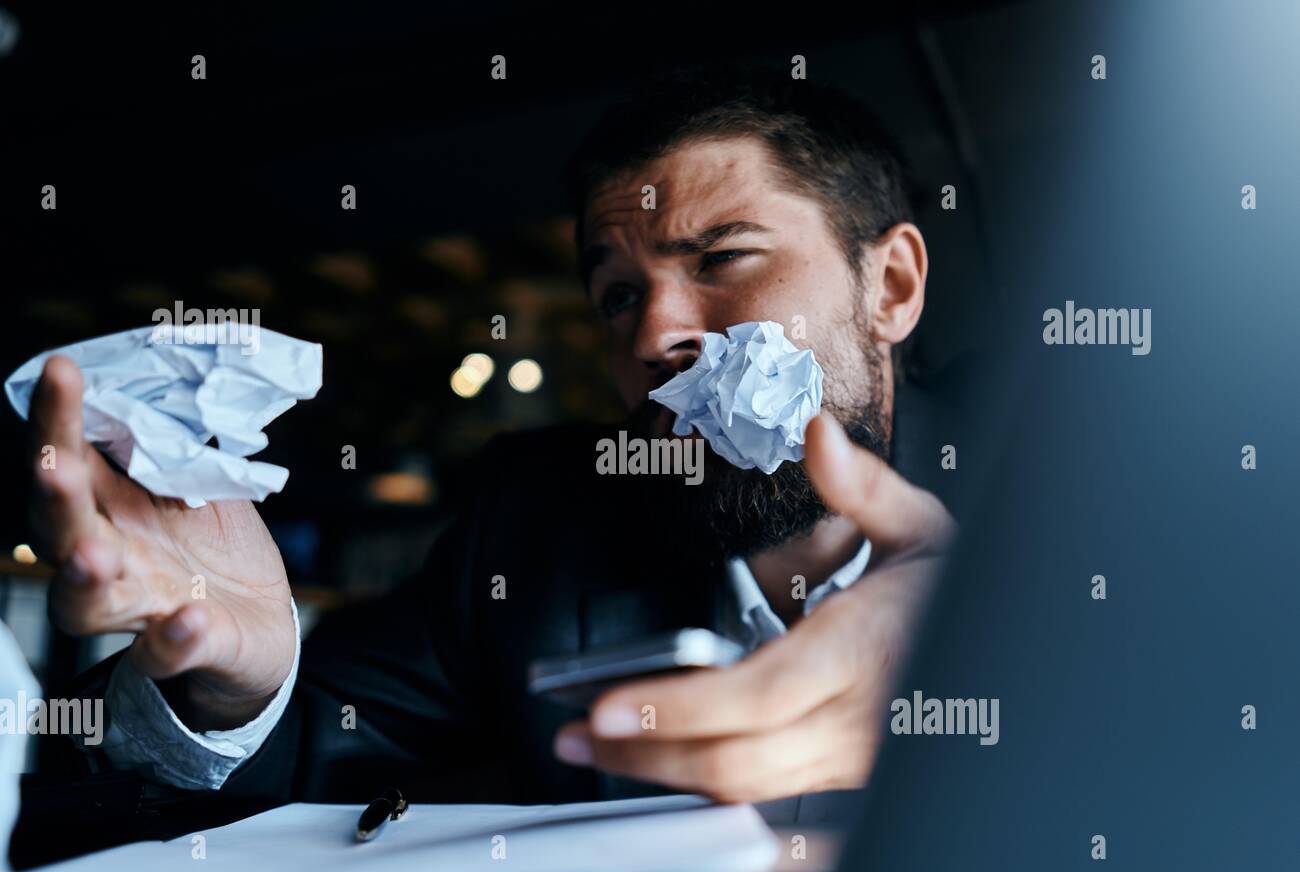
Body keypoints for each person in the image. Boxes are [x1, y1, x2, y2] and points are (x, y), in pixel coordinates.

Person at [26, 65, 962, 812]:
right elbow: (313, 749)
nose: (649, 339)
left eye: (721, 258)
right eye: (618, 297)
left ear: (890, 288)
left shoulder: (1064, 508)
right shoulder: (536, 525)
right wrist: (238, 687)